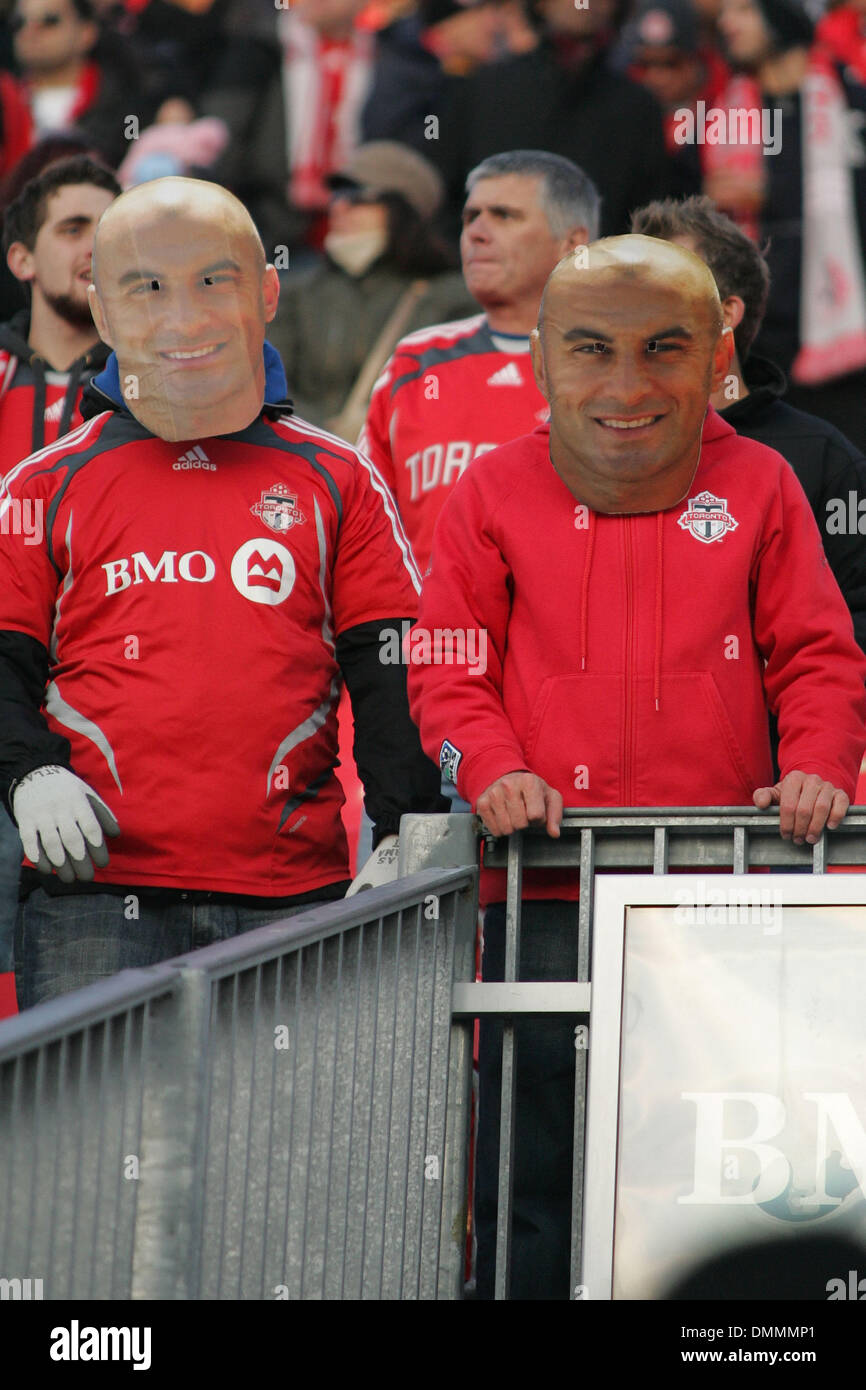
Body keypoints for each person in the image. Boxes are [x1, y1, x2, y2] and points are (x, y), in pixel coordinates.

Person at [406, 235, 866, 1298]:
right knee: (530, 1170)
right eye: (590, 350)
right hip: (540, 888)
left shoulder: (761, 481)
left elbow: (816, 654)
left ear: (715, 355)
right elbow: (447, 664)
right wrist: (491, 769)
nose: (625, 384)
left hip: (717, 898)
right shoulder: (488, 490)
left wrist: (818, 764)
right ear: (542, 360)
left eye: (662, 349)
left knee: (700, 1170)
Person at [0, 175, 446, 1010]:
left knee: (278, 1143)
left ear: (269, 291)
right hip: (93, 895)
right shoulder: (45, 484)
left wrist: (402, 826)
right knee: (100, 1140)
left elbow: (391, 673)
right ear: (101, 310)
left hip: (291, 896)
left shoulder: (339, 479)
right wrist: (27, 776)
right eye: (147, 287)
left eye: (215, 280)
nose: (184, 315)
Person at [631, 193, 866, 653]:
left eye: (664, 278)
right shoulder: (593, 445)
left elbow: (858, 615)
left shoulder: (822, 458)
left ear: (727, 313)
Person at [359, 149, 599, 573]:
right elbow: (362, 523)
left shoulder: (615, 369)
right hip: (427, 632)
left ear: (574, 246)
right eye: (471, 217)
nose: (477, 233)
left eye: (504, 216)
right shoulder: (417, 359)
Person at [711, 0, 866, 450]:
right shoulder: (720, 113)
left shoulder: (848, 98)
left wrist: (774, 190)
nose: (726, 23)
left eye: (742, 10)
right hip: (756, 346)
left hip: (844, 341)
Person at [267, 140, 475, 434]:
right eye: (336, 194)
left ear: (403, 210)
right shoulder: (295, 292)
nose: (339, 206)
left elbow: (452, 399)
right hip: (309, 462)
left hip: (401, 465)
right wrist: (326, 438)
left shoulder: (452, 298)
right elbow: (269, 384)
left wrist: (378, 432)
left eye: (357, 195)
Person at [429, 0, 670, 242]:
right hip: (488, 271)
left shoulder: (637, 107)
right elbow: (443, 196)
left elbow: (648, 217)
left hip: (597, 274)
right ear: (541, 5)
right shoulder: (483, 90)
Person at [0, 154, 118, 459]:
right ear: (23, 261)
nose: (97, 247)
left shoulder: (156, 381)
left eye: (111, 231)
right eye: (73, 230)